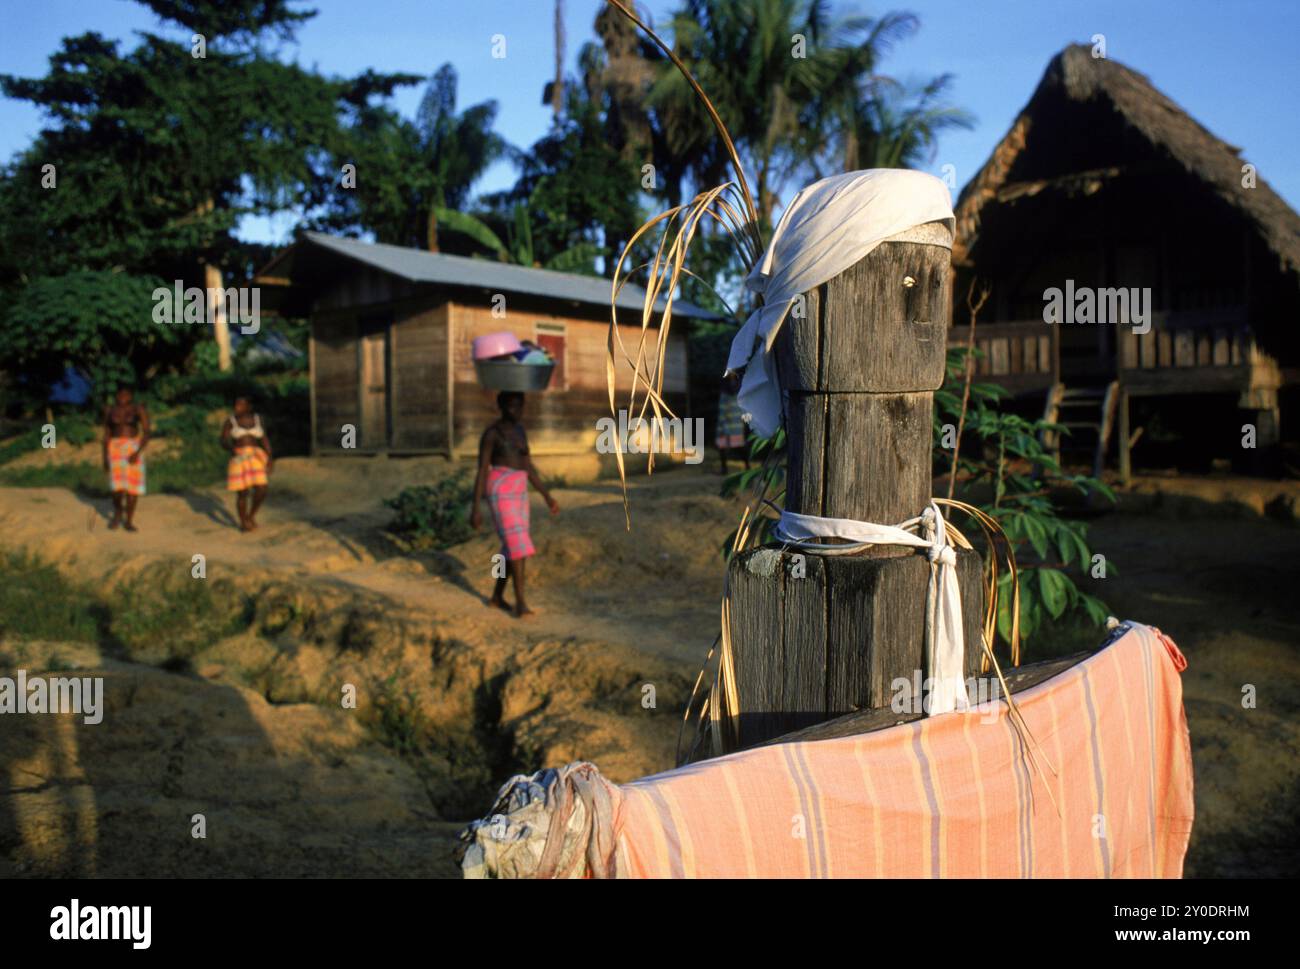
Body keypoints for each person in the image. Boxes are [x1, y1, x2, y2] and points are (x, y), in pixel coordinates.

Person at [470, 391, 559, 618]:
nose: (516, 411)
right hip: (499, 488)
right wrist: (475, 508)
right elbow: (482, 470)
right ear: (501, 408)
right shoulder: (492, 434)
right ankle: (520, 603)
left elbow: (527, 466)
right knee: (518, 543)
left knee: (511, 547)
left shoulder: (520, 431)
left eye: (520, 406)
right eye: (511, 407)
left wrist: (546, 496)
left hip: (519, 489)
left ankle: (497, 596)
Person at [220, 396, 273, 532]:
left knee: (262, 488)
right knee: (243, 492)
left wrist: (270, 458)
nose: (237, 408)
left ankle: (251, 515)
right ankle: (243, 522)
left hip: (256, 456)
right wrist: (232, 449)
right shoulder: (230, 422)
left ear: (248, 407)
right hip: (239, 457)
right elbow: (223, 440)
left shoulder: (258, 420)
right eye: (236, 405)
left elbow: (264, 439)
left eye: (241, 405)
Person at [102, 386, 149, 531]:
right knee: (116, 488)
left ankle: (128, 521)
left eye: (126, 394)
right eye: (120, 394)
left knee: (132, 487)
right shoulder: (110, 410)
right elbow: (106, 435)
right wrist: (104, 458)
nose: (123, 396)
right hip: (114, 448)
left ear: (131, 396)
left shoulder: (138, 409)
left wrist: (138, 451)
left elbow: (147, 432)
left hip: (133, 446)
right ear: (116, 395)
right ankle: (117, 513)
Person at [716, 372, 750, 475]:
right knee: (728, 447)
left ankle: (743, 467)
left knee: (736, 448)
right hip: (732, 425)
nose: (732, 381)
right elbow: (723, 411)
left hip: (732, 425)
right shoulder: (734, 393)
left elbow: (724, 411)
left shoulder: (732, 393)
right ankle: (727, 468)